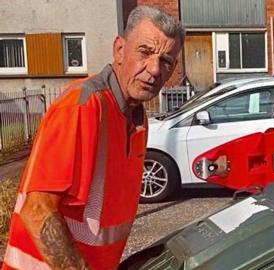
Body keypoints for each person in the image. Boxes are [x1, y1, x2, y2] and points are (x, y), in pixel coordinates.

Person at [2, 5, 184, 270]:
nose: (154, 69)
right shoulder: (83, 106)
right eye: (144, 52)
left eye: (166, 61)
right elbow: (37, 209)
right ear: (119, 50)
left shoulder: (136, 118)